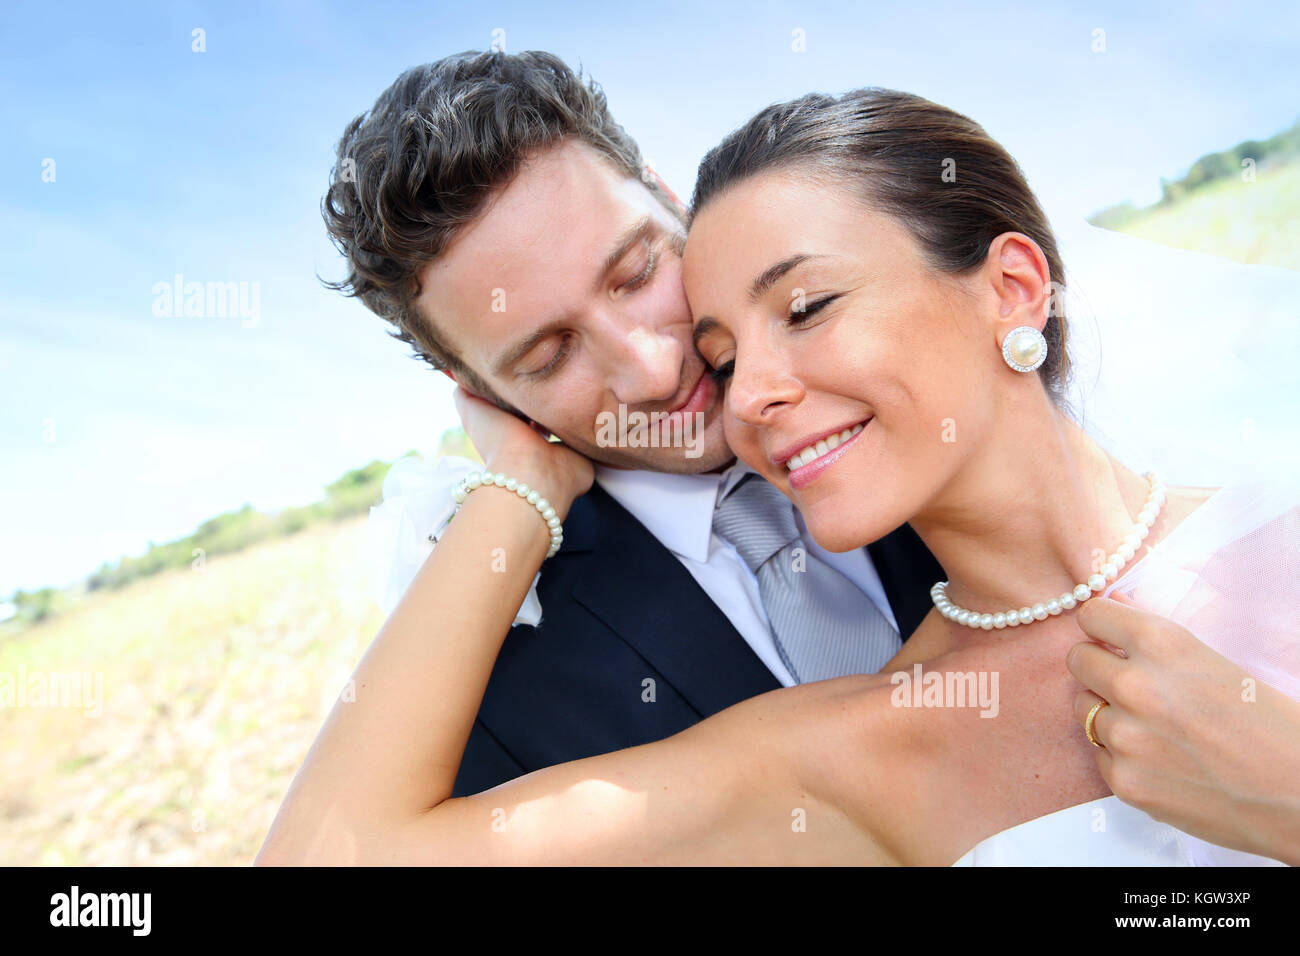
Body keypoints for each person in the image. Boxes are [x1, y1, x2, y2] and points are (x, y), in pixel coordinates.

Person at [255, 56, 1300, 865]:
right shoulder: (837, 745)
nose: (662, 367)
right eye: (549, 352)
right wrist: (514, 495)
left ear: (671, 203)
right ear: (481, 393)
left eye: (635, 274)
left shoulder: (1247, 519)